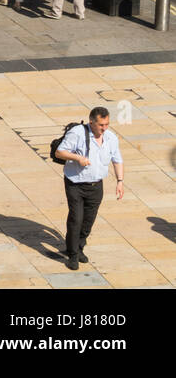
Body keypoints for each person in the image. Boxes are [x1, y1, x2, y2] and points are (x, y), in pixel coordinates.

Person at [54, 106, 124, 270]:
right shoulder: (77, 133)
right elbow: (60, 152)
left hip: (96, 185)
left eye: (106, 124)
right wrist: (77, 158)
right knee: (76, 219)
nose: (104, 128)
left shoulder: (111, 138)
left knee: (88, 221)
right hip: (75, 184)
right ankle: (72, 254)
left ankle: (79, 247)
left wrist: (120, 181)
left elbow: (117, 159)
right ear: (92, 122)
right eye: (101, 125)